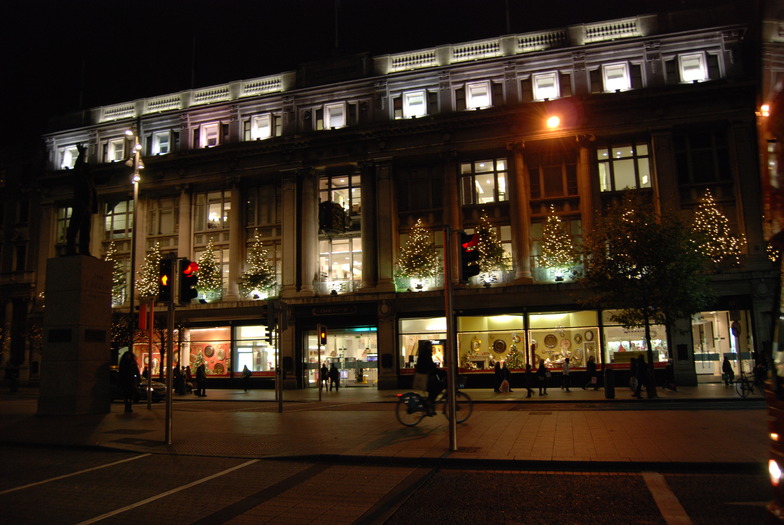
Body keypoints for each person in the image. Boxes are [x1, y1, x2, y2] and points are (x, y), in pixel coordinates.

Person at [414, 340, 442, 415]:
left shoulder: (424, 353)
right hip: (424, 376)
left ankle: (430, 406)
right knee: (436, 388)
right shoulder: (426, 354)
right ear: (428, 347)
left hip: (425, 375)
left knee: (433, 389)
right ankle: (429, 405)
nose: (431, 348)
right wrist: (438, 370)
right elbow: (428, 365)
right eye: (430, 346)